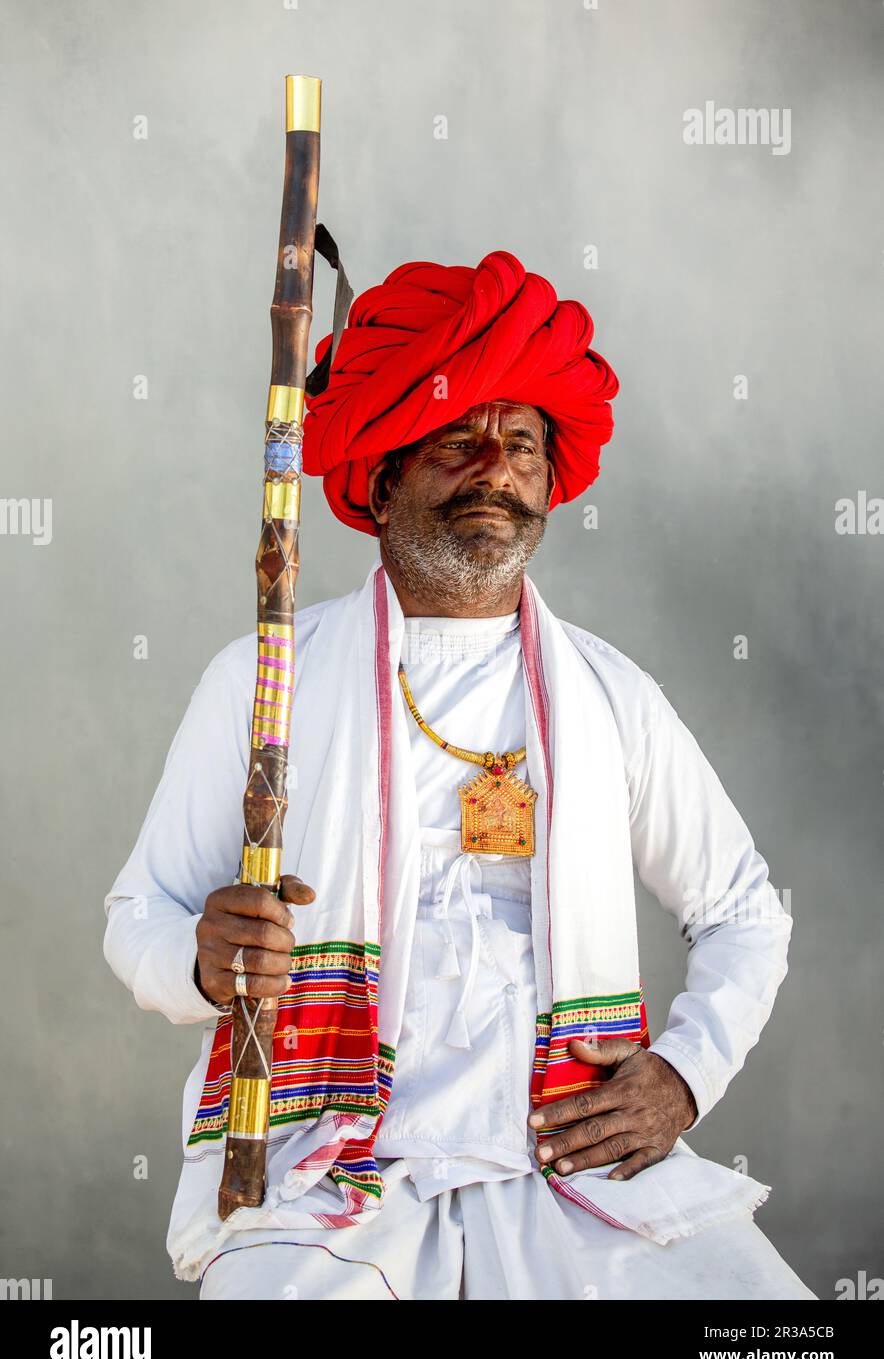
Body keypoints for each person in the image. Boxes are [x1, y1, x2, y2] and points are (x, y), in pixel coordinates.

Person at [104, 250, 816, 1300]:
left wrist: (685, 1073)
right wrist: (206, 963)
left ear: (547, 479)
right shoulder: (267, 681)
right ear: (382, 471)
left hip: (575, 1178)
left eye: (521, 443)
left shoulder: (607, 694)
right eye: (455, 436)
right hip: (322, 1182)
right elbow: (138, 918)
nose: (494, 468)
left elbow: (744, 911)